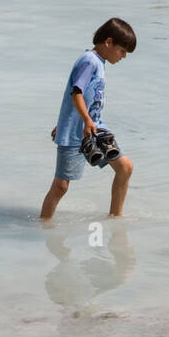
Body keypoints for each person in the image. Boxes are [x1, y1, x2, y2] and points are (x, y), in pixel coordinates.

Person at [40, 18, 136, 222]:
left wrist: (80, 120)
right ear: (108, 43)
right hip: (77, 131)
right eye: (122, 51)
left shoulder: (99, 62)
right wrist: (80, 120)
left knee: (125, 167)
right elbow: (76, 93)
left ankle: (115, 219)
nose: (124, 57)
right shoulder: (89, 61)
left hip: (95, 127)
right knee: (61, 187)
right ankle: (43, 225)